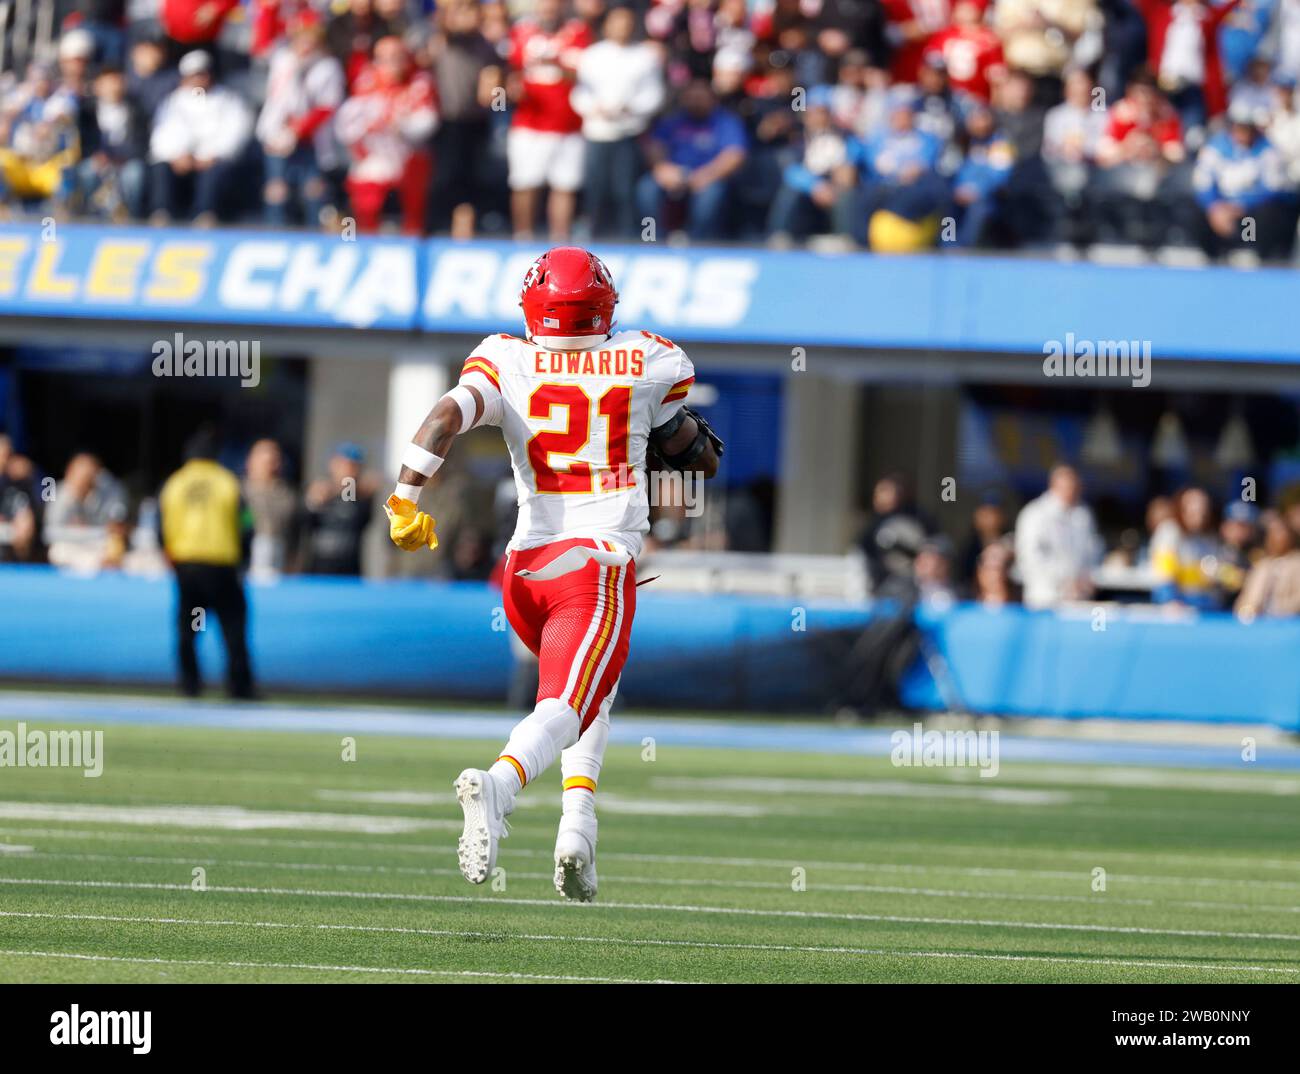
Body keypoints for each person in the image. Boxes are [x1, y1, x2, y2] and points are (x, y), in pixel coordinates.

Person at [384, 247, 720, 901]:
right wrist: (684, 442)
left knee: (590, 685)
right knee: (568, 702)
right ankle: (502, 786)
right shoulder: (652, 359)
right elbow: (692, 451)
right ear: (604, 304)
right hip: (594, 563)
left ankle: (578, 828)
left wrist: (404, 497)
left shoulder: (505, 358)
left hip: (524, 570)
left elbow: (443, 418)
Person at [159, 430, 257, 700]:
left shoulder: (175, 483)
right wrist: (244, 559)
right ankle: (239, 688)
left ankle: (189, 685)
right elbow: (247, 524)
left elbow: (160, 523)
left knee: (187, 629)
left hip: (187, 564)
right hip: (222, 564)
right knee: (233, 628)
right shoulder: (228, 482)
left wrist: (170, 556)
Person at [571, 5, 665, 238]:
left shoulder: (644, 56)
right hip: (597, 132)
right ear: (607, 25)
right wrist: (594, 109)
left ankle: (628, 238)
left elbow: (654, 95)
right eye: (617, 21)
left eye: (627, 22)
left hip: (628, 133)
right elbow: (580, 92)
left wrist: (630, 108)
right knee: (595, 190)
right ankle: (594, 236)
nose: (622, 27)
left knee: (625, 190)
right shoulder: (592, 55)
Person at [505, 0, 593, 238]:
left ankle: (560, 242)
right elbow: (510, 71)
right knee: (525, 183)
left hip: (569, 124)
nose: (549, 9)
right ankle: (522, 237)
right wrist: (511, 89)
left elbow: (587, 70)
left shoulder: (579, 32)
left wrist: (557, 64)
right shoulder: (522, 33)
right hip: (530, 124)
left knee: (565, 186)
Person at [148, 50, 253, 224]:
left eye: (202, 75)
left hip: (212, 158)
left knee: (214, 173)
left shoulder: (229, 99)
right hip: (181, 159)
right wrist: (178, 155)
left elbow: (235, 133)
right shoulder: (173, 101)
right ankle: (162, 213)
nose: (199, 80)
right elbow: (162, 133)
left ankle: (205, 214)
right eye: (194, 76)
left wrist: (209, 155)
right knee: (161, 167)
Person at [636, 78, 748, 241]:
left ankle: (697, 240)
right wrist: (662, 168)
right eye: (691, 98)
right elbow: (655, 146)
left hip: (709, 176)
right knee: (646, 188)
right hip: (675, 174)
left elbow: (735, 154)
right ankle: (653, 237)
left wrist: (707, 175)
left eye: (700, 98)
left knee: (711, 193)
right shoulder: (673, 121)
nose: (695, 103)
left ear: (712, 99)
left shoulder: (726, 122)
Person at [1014, 463, 1100, 608]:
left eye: (1075, 486)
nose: (1072, 491)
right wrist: (1064, 580)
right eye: (1067, 486)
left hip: (1078, 598)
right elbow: (1029, 558)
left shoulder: (1083, 514)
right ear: (1054, 485)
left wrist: (1084, 578)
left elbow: (1092, 551)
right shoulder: (1035, 513)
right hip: (1045, 598)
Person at [300, 442, 374, 575]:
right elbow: (302, 524)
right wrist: (312, 503)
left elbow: (360, 520)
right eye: (343, 465)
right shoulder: (319, 491)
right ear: (332, 465)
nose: (347, 470)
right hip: (319, 568)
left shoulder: (361, 496)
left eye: (353, 466)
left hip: (350, 569)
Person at [1235, 514, 1300, 620]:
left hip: (1288, 622)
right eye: (1273, 533)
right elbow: (1246, 598)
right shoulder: (1262, 566)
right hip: (1259, 624)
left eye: (1281, 533)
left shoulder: (1297, 563)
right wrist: (1247, 610)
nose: (1277, 538)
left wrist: (1278, 611)